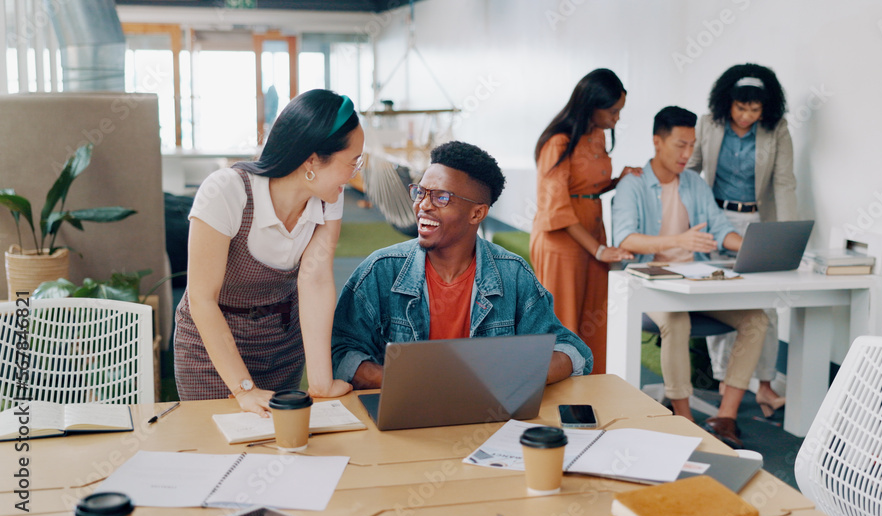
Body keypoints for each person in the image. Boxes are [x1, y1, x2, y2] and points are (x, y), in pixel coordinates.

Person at [331, 141, 593, 388]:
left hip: (487, 418)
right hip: (407, 419)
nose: (423, 205)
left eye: (441, 198)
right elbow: (340, 353)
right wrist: (407, 383)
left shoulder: (512, 275)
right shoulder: (380, 271)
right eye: (420, 192)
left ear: (477, 213)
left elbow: (571, 350)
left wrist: (510, 378)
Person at [174, 89, 360, 416]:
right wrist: (243, 388)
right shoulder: (226, 191)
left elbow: (315, 280)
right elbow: (202, 298)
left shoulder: (329, 195)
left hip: (280, 347)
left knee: (282, 448)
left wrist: (320, 383)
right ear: (313, 160)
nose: (353, 174)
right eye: (352, 162)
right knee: (218, 451)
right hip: (211, 353)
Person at [611, 106, 768, 449]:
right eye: (680, 145)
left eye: (691, 145)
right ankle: (685, 419)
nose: (687, 154)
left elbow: (721, 228)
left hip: (696, 283)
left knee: (757, 319)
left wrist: (752, 248)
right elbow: (624, 238)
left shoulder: (694, 183)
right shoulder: (633, 184)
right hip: (648, 283)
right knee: (677, 322)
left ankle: (724, 417)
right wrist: (677, 241)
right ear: (657, 142)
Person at [686, 63, 795, 417]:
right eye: (741, 108)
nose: (747, 116)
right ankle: (724, 381)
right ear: (726, 102)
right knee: (720, 296)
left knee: (767, 302)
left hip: (755, 222)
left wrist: (787, 236)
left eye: (755, 109)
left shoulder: (776, 129)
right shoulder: (708, 124)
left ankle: (765, 385)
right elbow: (690, 171)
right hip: (714, 219)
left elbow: (784, 182)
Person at [530, 68, 639, 375]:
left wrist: (618, 180)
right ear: (592, 105)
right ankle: (555, 394)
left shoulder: (598, 136)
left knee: (594, 318)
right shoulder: (558, 143)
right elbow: (558, 207)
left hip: (592, 237)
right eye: (614, 111)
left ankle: (592, 389)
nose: (617, 118)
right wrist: (598, 250)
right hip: (562, 241)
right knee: (563, 320)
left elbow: (585, 188)